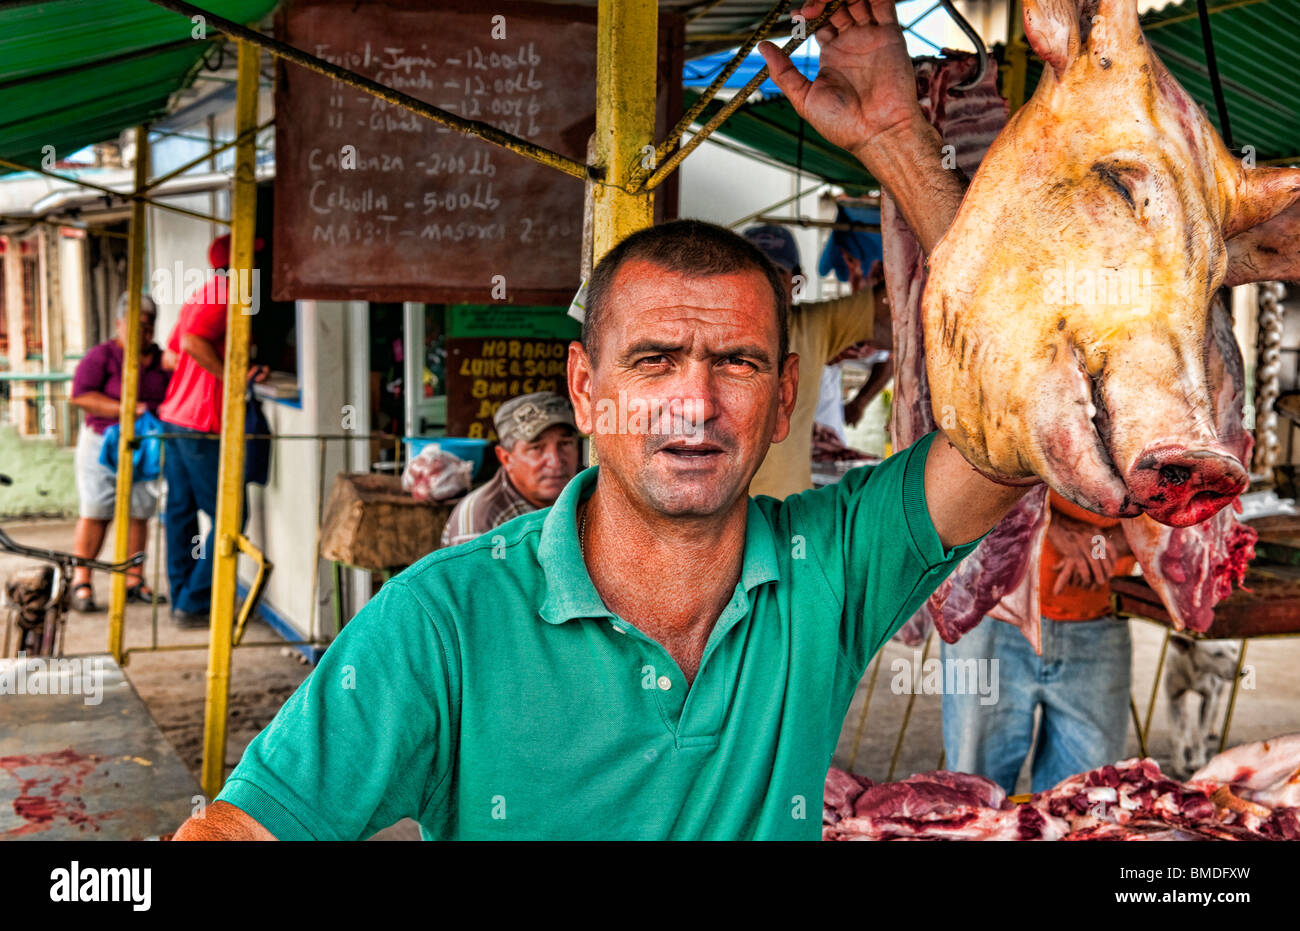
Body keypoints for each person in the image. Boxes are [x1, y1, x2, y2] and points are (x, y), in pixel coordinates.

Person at [174, 0, 1022, 841]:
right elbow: (238, 831)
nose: (695, 403)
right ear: (585, 388)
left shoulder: (829, 569)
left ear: (784, 397)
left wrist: (894, 140)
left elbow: (1022, 406)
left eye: (738, 362)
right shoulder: (445, 615)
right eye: (654, 360)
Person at [941, 490, 1136, 794]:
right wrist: (1048, 525)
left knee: (1086, 799)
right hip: (991, 612)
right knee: (974, 795)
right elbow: (971, 470)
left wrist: (1099, 546)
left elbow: (1177, 515)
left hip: (1098, 624)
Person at [157, 233, 268, 629]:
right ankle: (195, 600)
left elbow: (172, 356)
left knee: (181, 512)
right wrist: (230, 379)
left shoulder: (202, 292)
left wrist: (232, 367)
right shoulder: (228, 292)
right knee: (231, 516)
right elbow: (189, 342)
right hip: (202, 423)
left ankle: (183, 596)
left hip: (176, 416)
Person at [743, 224, 892, 498]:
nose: (764, 284)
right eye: (751, 271)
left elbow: (890, 311)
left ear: (795, 281)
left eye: (776, 272)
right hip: (718, 518)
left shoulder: (815, 325)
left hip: (788, 510)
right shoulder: (708, 332)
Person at [68, 293, 173, 611]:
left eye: (149, 324)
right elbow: (81, 396)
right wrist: (128, 409)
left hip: (145, 446)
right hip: (103, 441)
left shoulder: (162, 360)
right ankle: (82, 581)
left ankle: (133, 579)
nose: (143, 331)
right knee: (96, 511)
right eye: (136, 324)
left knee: (139, 512)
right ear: (119, 323)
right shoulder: (102, 356)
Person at [440, 391, 581, 548]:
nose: (555, 462)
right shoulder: (482, 521)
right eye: (536, 448)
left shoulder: (585, 495)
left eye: (565, 443)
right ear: (506, 458)